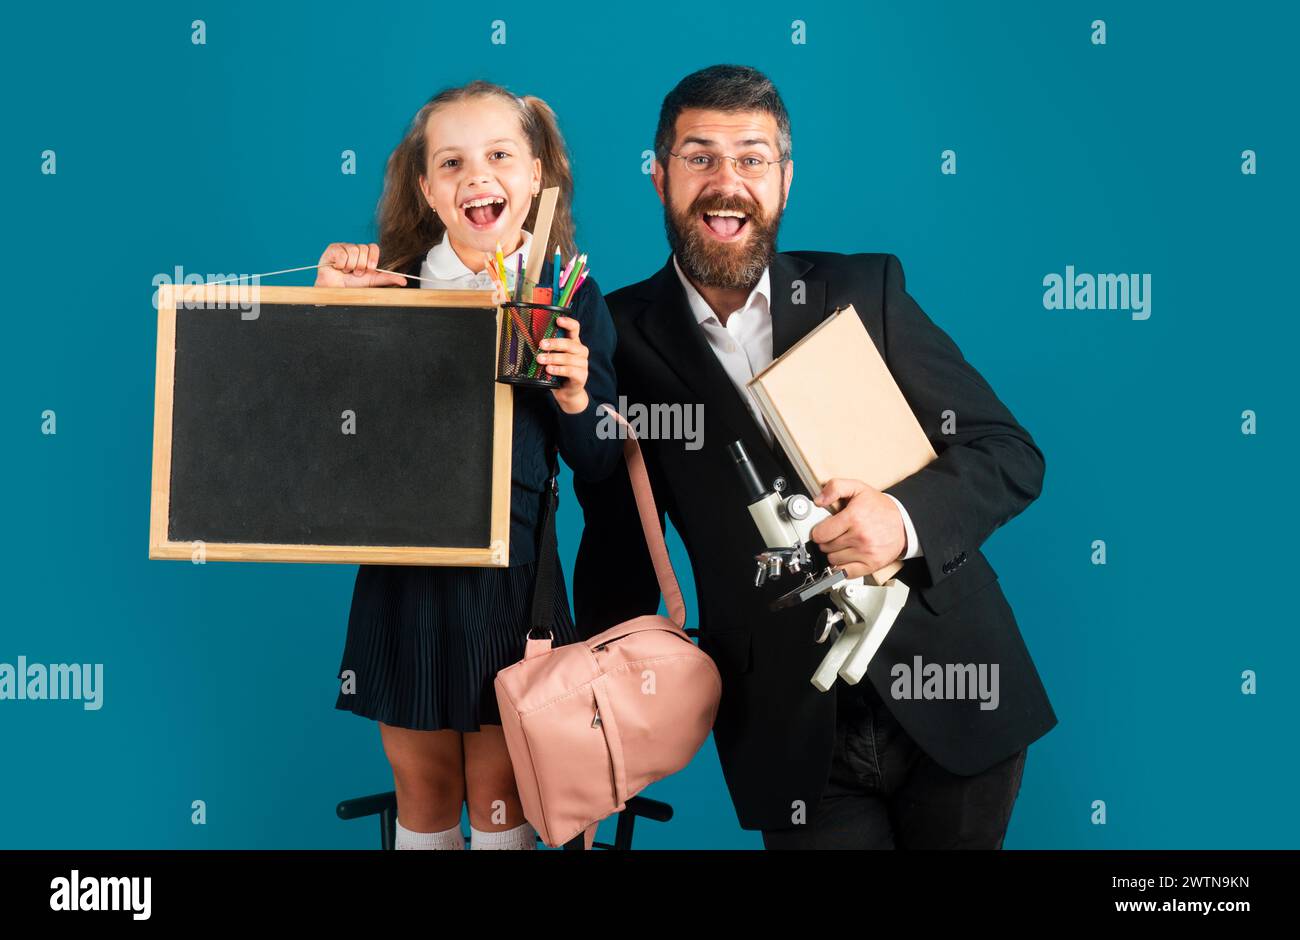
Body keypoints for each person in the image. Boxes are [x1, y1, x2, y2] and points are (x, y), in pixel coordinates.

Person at [573, 65, 1057, 849]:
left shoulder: (864, 291)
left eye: (752, 158)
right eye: (699, 157)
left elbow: (1008, 453)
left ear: (785, 179)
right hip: (789, 728)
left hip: (958, 690)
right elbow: (618, 544)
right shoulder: (617, 336)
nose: (726, 183)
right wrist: (593, 733)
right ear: (659, 175)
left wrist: (901, 521)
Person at [318, 81, 620, 850]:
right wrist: (328, 317)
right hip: (402, 564)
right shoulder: (388, 285)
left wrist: (578, 394)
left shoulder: (570, 294)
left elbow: (602, 463)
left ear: (536, 176)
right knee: (421, 783)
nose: (475, 175)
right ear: (426, 188)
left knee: (500, 787)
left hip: (514, 579)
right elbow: (326, 440)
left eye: (498, 156)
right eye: (450, 162)